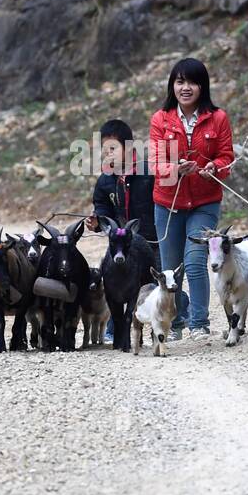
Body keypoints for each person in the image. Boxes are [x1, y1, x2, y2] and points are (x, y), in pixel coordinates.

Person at [149, 58, 234, 341]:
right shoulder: (160, 119)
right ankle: (173, 324)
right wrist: (175, 170)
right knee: (170, 269)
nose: (185, 88)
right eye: (179, 82)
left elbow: (226, 157)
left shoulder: (218, 118)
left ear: (203, 86)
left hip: (204, 202)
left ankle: (199, 323)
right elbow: (156, 164)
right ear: (172, 85)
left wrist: (214, 168)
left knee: (196, 261)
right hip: (167, 204)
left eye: (192, 82)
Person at [86, 119, 157, 344]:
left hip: (152, 240)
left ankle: (167, 324)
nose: (109, 154)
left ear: (129, 147)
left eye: (113, 148)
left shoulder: (149, 172)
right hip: (121, 244)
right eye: (105, 150)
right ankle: (114, 329)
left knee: (156, 284)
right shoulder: (105, 180)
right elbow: (102, 209)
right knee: (113, 280)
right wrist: (97, 222)